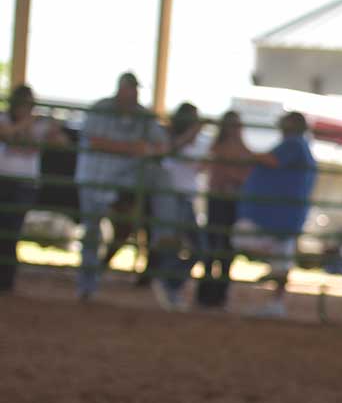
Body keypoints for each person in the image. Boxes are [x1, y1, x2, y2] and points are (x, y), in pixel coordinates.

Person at [74, 71, 169, 300]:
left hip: (124, 183)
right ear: (120, 88)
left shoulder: (142, 116)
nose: (133, 93)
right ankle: (88, 285)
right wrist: (133, 148)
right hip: (95, 178)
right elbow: (95, 141)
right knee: (92, 230)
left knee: (126, 225)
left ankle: (164, 235)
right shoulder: (100, 108)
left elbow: (163, 145)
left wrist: (146, 150)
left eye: (135, 89)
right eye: (130, 88)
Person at [237, 111, 316, 319]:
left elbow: (271, 160)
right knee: (281, 256)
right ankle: (276, 300)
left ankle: (276, 294)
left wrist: (244, 151)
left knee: (243, 238)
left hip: (279, 212)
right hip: (284, 212)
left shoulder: (294, 145)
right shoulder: (301, 146)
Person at [0, 84, 66, 292]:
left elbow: (62, 142)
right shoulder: (5, 120)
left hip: (25, 185)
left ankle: (6, 280)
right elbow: (8, 135)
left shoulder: (39, 126)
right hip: (4, 180)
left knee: (12, 230)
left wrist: (53, 125)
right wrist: (29, 123)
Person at [197, 110, 256, 308]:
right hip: (221, 199)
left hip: (228, 200)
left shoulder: (230, 148)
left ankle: (216, 293)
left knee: (223, 246)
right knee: (215, 245)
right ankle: (210, 293)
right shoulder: (228, 148)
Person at [151, 101, 205, 310]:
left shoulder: (194, 142)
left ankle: (169, 283)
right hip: (172, 195)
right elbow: (171, 151)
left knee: (198, 246)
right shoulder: (170, 137)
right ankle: (168, 286)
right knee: (173, 243)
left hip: (187, 196)